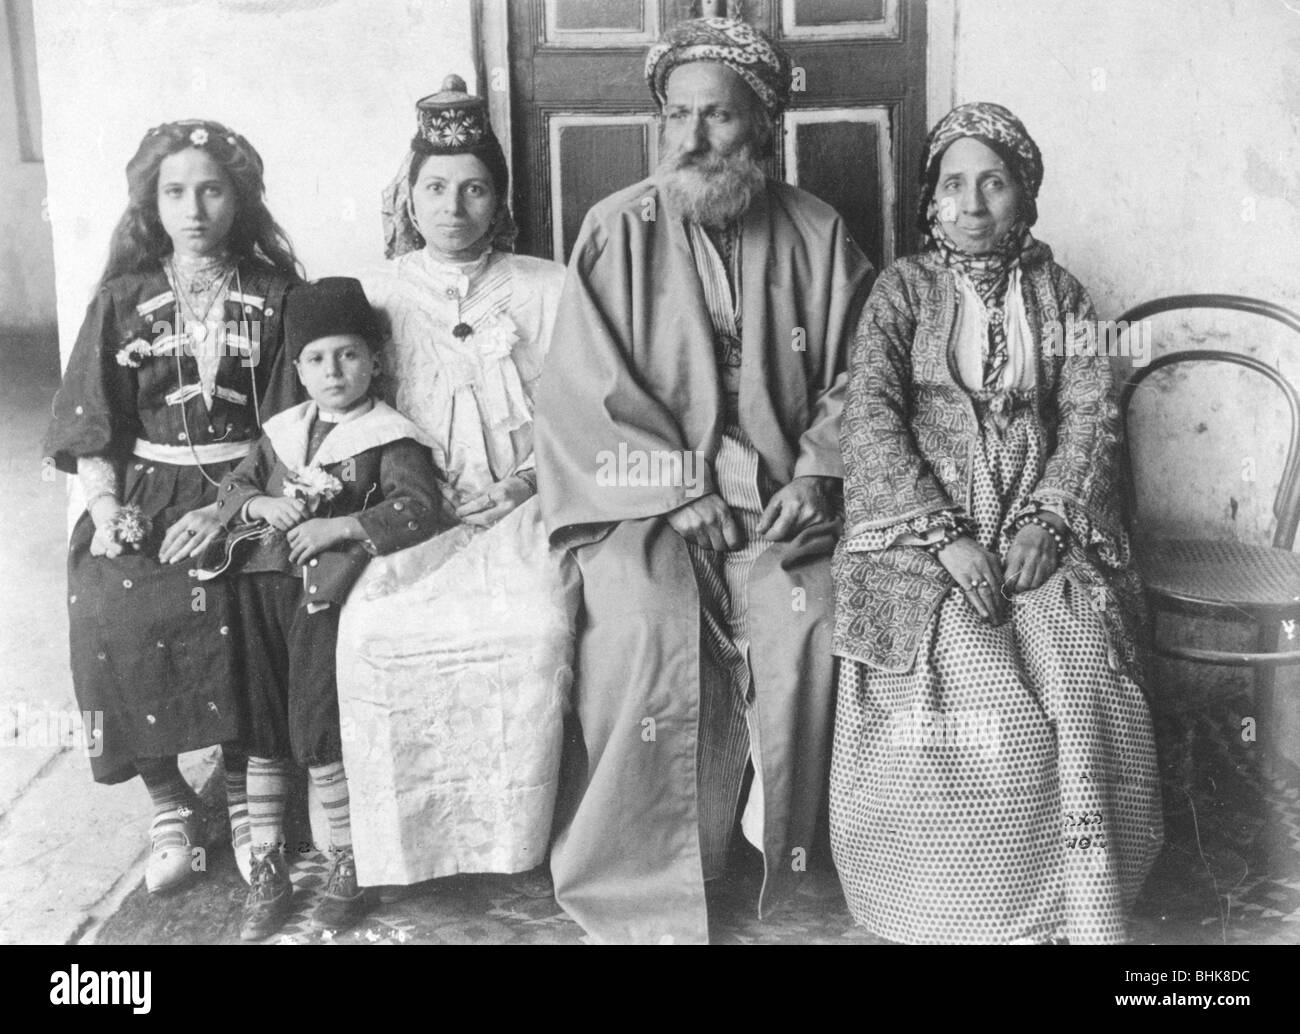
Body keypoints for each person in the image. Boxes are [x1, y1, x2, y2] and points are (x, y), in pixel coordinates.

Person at [533, 17, 874, 944]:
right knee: (642, 623)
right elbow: (581, 393)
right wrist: (674, 489)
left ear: (760, 128)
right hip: (643, 501)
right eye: (676, 116)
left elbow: (861, 378)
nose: (691, 139)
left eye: (717, 118)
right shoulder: (616, 228)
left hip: (776, 500)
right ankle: (655, 867)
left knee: (811, 615)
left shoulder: (818, 231)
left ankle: (785, 852)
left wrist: (819, 472)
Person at [830, 102, 1163, 944]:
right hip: (921, 536)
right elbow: (868, 416)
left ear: (1026, 197)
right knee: (973, 691)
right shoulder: (899, 291)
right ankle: (952, 912)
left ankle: (1075, 911)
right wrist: (943, 538)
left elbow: (1091, 413)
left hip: (1035, 525)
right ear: (930, 203)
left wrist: (1049, 522)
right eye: (952, 185)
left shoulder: (1061, 292)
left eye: (994, 182)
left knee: (1077, 658)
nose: (972, 203)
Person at [43, 119, 302, 895]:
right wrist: (111, 507)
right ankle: (168, 804)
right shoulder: (123, 298)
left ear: (240, 198)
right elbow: (92, 424)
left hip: (252, 487)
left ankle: (246, 790)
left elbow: (290, 427)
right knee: (106, 600)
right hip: (148, 493)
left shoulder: (275, 295)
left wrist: (228, 510)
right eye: (175, 191)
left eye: (212, 189)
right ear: (151, 202)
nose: (195, 209)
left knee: (256, 599)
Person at [332, 77, 575, 889]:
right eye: (436, 187)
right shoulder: (379, 296)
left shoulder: (548, 288)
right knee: (371, 632)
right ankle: (407, 853)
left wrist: (527, 485)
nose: (454, 205)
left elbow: (587, 412)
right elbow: (349, 414)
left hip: (528, 512)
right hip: (418, 520)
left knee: (535, 630)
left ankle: (514, 847)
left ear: (499, 198)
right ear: (410, 195)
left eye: (474, 187)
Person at [202, 276, 448, 940]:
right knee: (260, 730)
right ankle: (268, 869)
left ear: (374, 361)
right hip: (256, 592)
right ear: (298, 366)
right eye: (315, 358)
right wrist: (260, 505)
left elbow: (418, 509)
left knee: (317, 729)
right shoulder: (283, 434)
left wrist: (340, 528)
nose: (332, 371)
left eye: (347, 355)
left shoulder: (387, 436)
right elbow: (231, 491)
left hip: (321, 601)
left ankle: (345, 863)